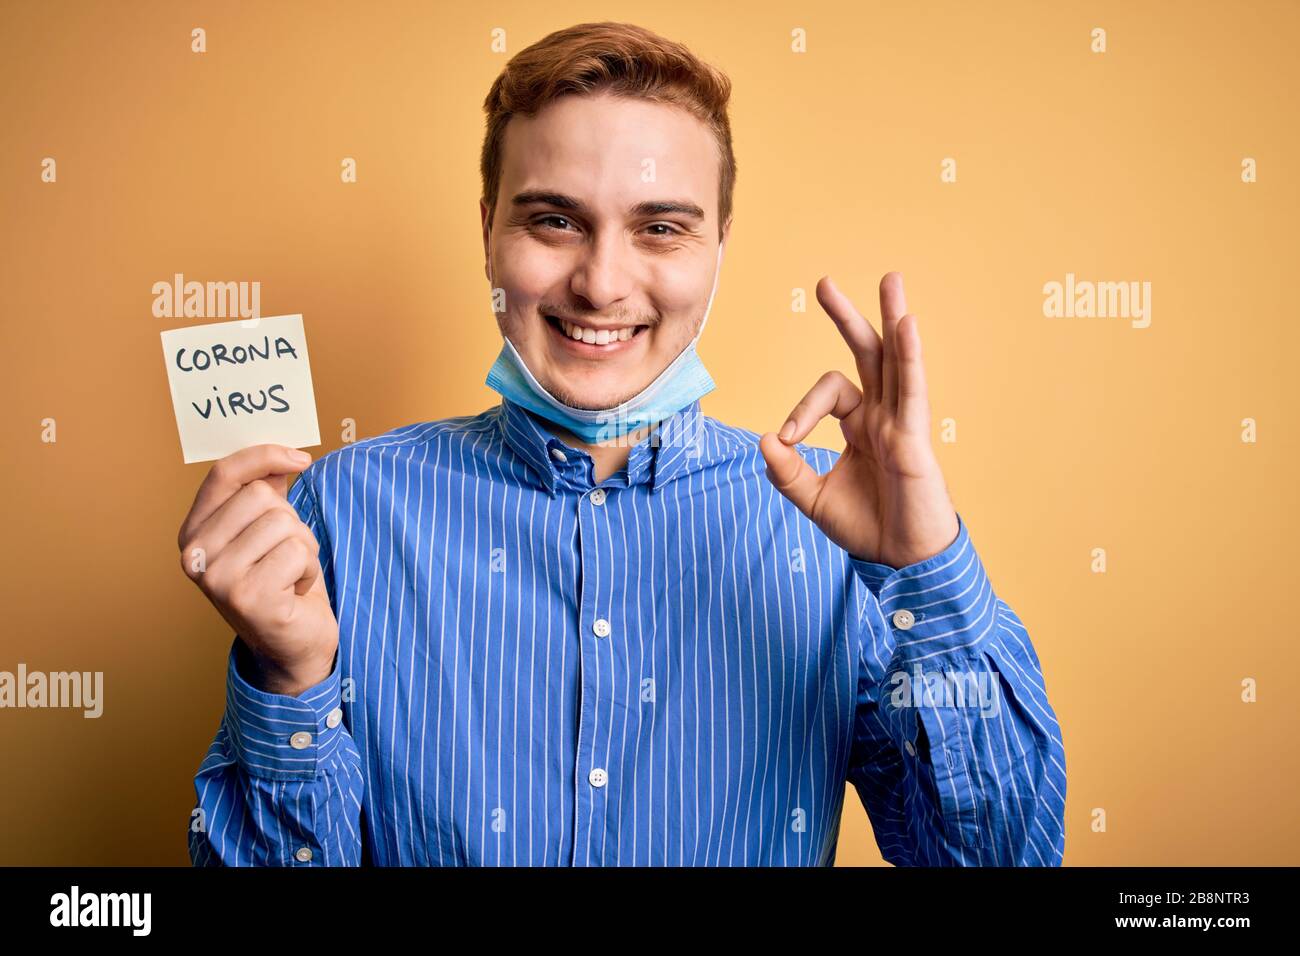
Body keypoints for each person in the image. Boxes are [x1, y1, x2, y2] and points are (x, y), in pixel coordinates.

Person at [180, 21, 1066, 866]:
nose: (602, 283)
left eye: (661, 227)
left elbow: (1001, 858)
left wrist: (928, 572)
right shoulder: (338, 510)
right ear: (488, 231)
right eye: (554, 220)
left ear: (719, 244)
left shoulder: (844, 536)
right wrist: (287, 683)